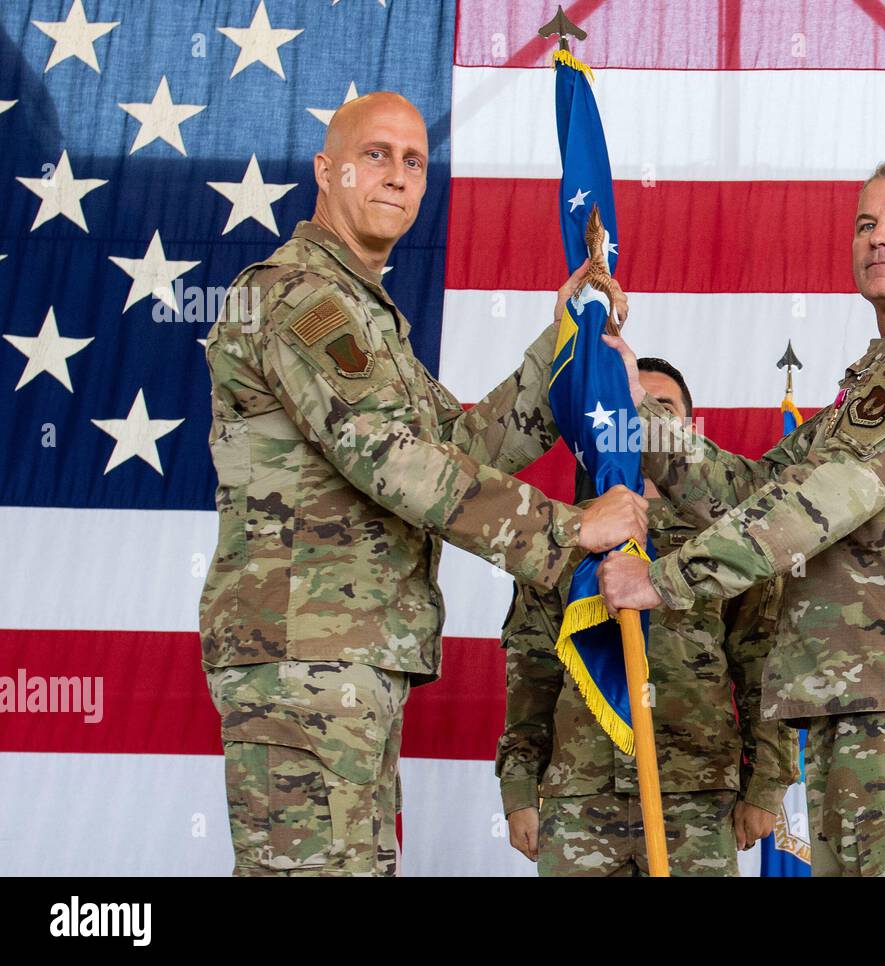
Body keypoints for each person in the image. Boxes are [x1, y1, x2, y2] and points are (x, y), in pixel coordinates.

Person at [200, 91, 646, 876]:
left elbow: (461, 445)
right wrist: (567, 530)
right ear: (326, 169)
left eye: (414, 161)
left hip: (348, 656)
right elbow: (389, 457)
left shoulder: (369, 317)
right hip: (305, 656)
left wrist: (564, 344)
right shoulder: (298, 297)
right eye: (376, 154)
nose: (399, 176)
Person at [598, 162, 885, 876]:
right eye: (866, 224)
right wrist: (637, 409)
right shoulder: (876, 380)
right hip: (860, 704)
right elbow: (753, 487)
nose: (879, 238)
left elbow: (823, 499)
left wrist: (665, 580)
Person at [496, 359, 799, 876]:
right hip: (579, 794)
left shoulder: (729, 543)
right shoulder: (567, 537)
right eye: (628, 412)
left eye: (660, 411)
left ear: (683, 430)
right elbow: (533, 669)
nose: (640, 425)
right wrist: (519, 786)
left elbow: (763, 668)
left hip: (696, 791)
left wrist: (767, 784)